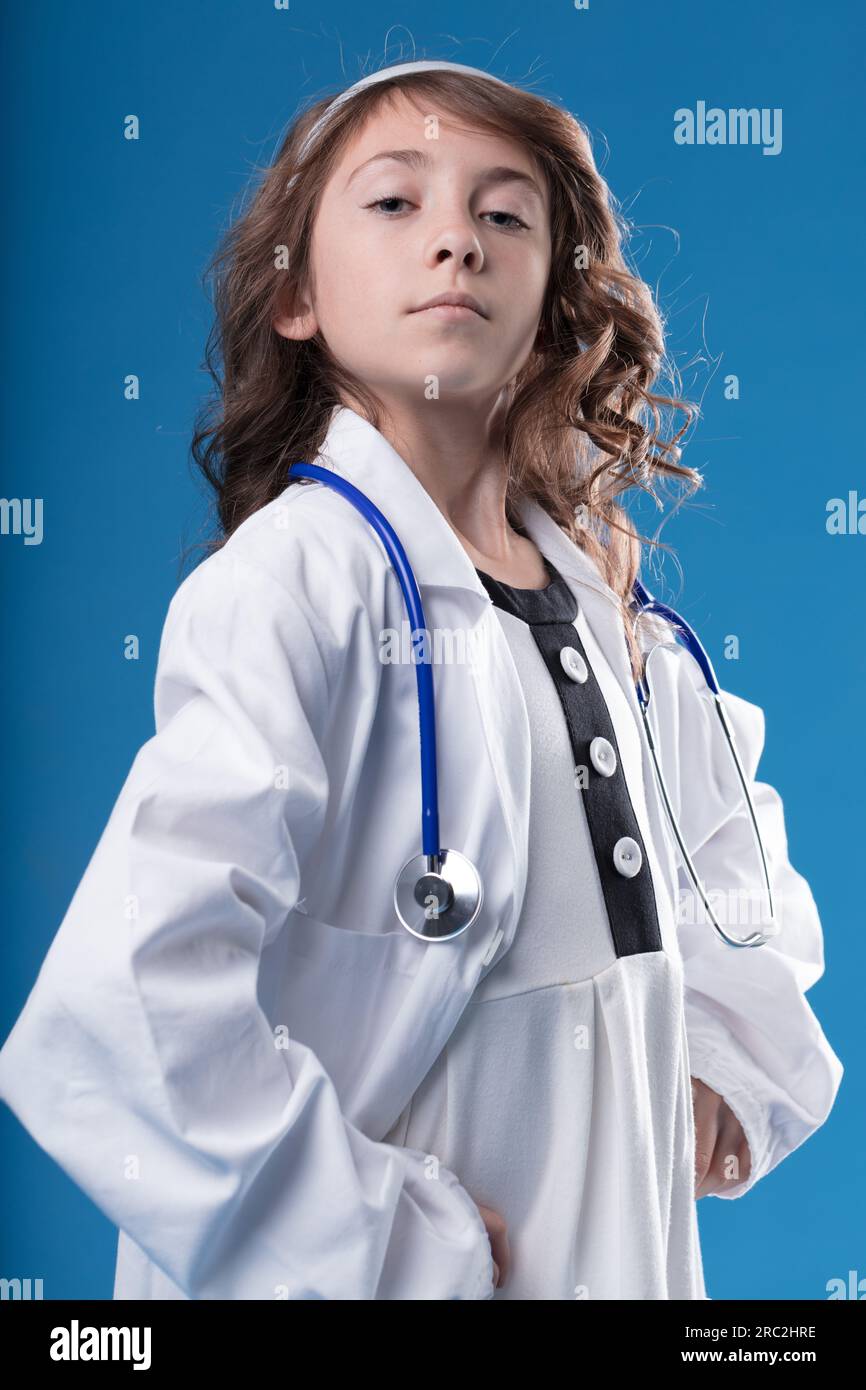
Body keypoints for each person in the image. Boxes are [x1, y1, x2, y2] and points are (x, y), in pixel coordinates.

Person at [0, 59, 843, 1300]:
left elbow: (733, 874)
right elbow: (119, 1012)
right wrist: (384, 1241)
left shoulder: (611, 611)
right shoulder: (297, 584)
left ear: (555, 300)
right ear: (294, 295)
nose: (456, 240)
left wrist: (721, 1052)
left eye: (504, 214)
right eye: (394, 203)